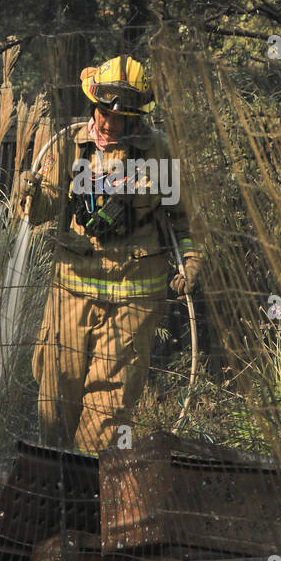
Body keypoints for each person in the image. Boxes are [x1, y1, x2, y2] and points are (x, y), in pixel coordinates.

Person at [18, 56, 201, 453]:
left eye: (120, 117)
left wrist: (190, 261)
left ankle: (91, 495)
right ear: (93, 105)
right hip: (71, 293)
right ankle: (54, 488)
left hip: (133, 298)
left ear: (137, 116)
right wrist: (29, 196)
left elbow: (182, 222)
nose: (108, 124)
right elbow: (42, 209)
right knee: (55, 397)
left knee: (107, 412)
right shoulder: (69, 144)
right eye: (103, 112)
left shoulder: (159, 153)